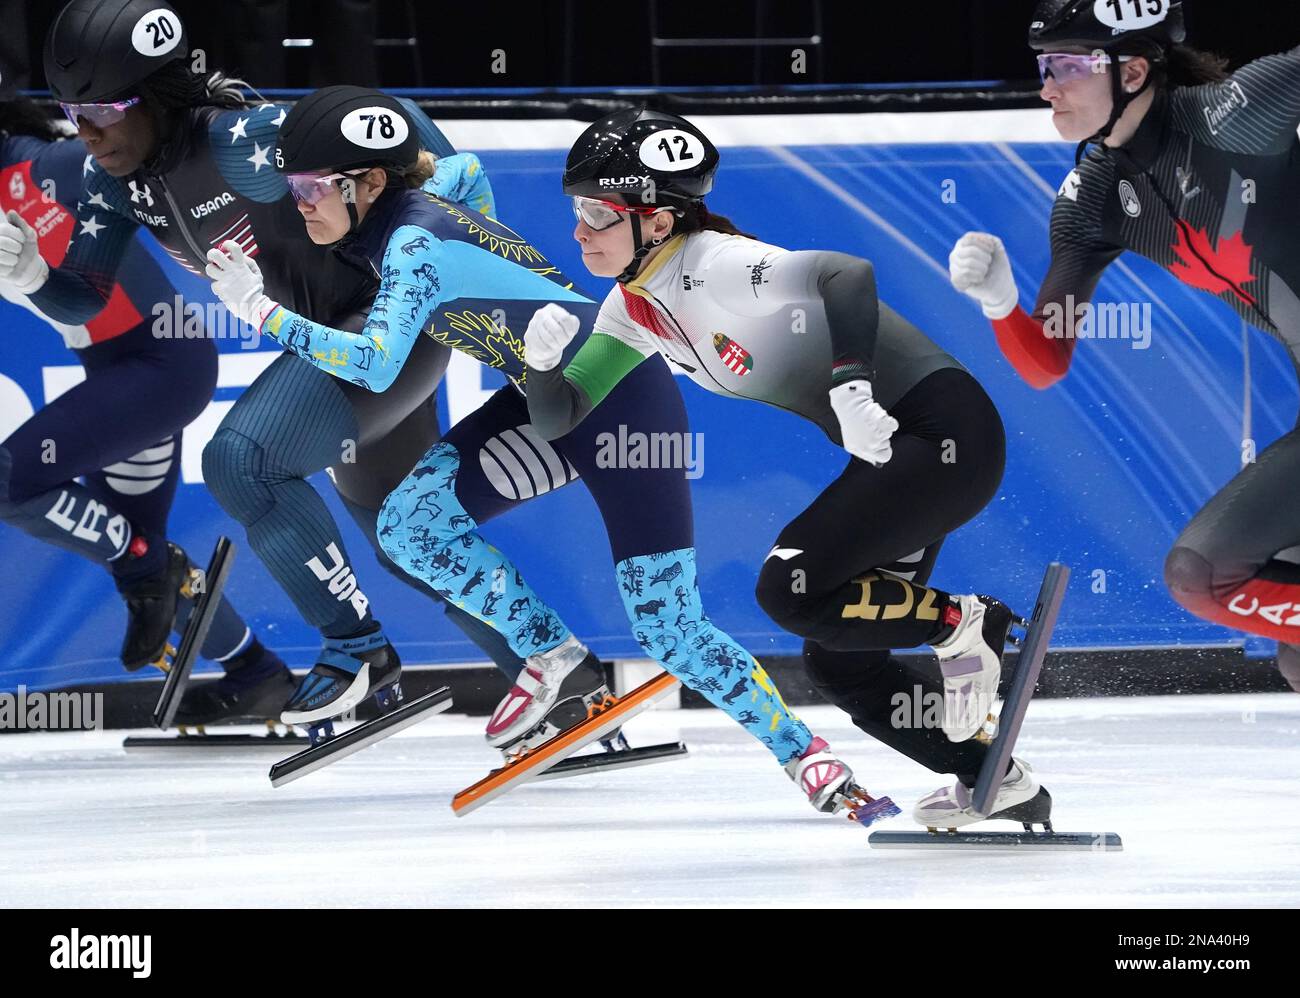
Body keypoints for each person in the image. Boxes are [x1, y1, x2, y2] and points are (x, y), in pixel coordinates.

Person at [205, 87, 872, 816]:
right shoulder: (420, 206)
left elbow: (371, 364)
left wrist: (259, 311)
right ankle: (548, 653)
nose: (296, 203)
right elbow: (467, 173)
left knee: (668, 627)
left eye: (307, 187)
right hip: (544, 394)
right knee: (409, 525)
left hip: (620, 394)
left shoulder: (413, 245)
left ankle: (808, 757)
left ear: (366, 184)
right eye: (292, 185)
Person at [520, 106, 1045, 830]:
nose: (579, 230)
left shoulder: (716, 265)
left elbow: (846, 274)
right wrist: (540, 368)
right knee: (839, 662)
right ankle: (995, 776)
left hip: (943, 435)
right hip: (898, 453)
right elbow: (561, 416)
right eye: (576, 209)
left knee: (788, 588)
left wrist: (852, 383)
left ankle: (963, 621)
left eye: (596, 212)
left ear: (660, 221)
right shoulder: (631, 305)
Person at [2, 0, 517, 726]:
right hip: (349, 340)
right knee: (408, 540)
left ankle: (358, 654)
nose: (82, 132)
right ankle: (563, 678)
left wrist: (476, 242)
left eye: (101, 110)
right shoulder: (111, 182)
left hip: (384, 325)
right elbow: (84, 301)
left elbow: (391, 114)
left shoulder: (243, 141)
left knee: (242, 459)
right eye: (67, 110)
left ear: (157, 94)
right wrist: (32, 280)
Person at [948, 0, 1300, 693]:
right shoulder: (1093, 199)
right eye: (1044, 67)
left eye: (1069, 66)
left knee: (1203, 574)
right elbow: (1045, 362)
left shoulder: (1241, 108)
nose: (1048, 86)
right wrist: (999, 304)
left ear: (1135, 70)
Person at [0, 91, 291, 722]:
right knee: (139, 548)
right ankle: (258, 673)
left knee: (14, 486)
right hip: (134, 375)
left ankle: (145, 562)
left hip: (159, 371)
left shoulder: (30, 168)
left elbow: (94, 162)